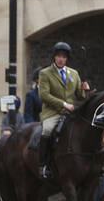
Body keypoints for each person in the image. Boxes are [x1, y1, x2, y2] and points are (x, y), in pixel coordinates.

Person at [29, 42, 90, 180]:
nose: (61, 59)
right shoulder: (44, 73)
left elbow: (80, 96)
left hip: (70, 112)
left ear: (67, 58)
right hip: (52, 112)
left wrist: (84, 90)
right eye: (58, 56)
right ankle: (43, 164)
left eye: (64, 57)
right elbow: (43, 95)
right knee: (47, 130)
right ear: (54, 57)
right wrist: (63, 104)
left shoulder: (74, 73)